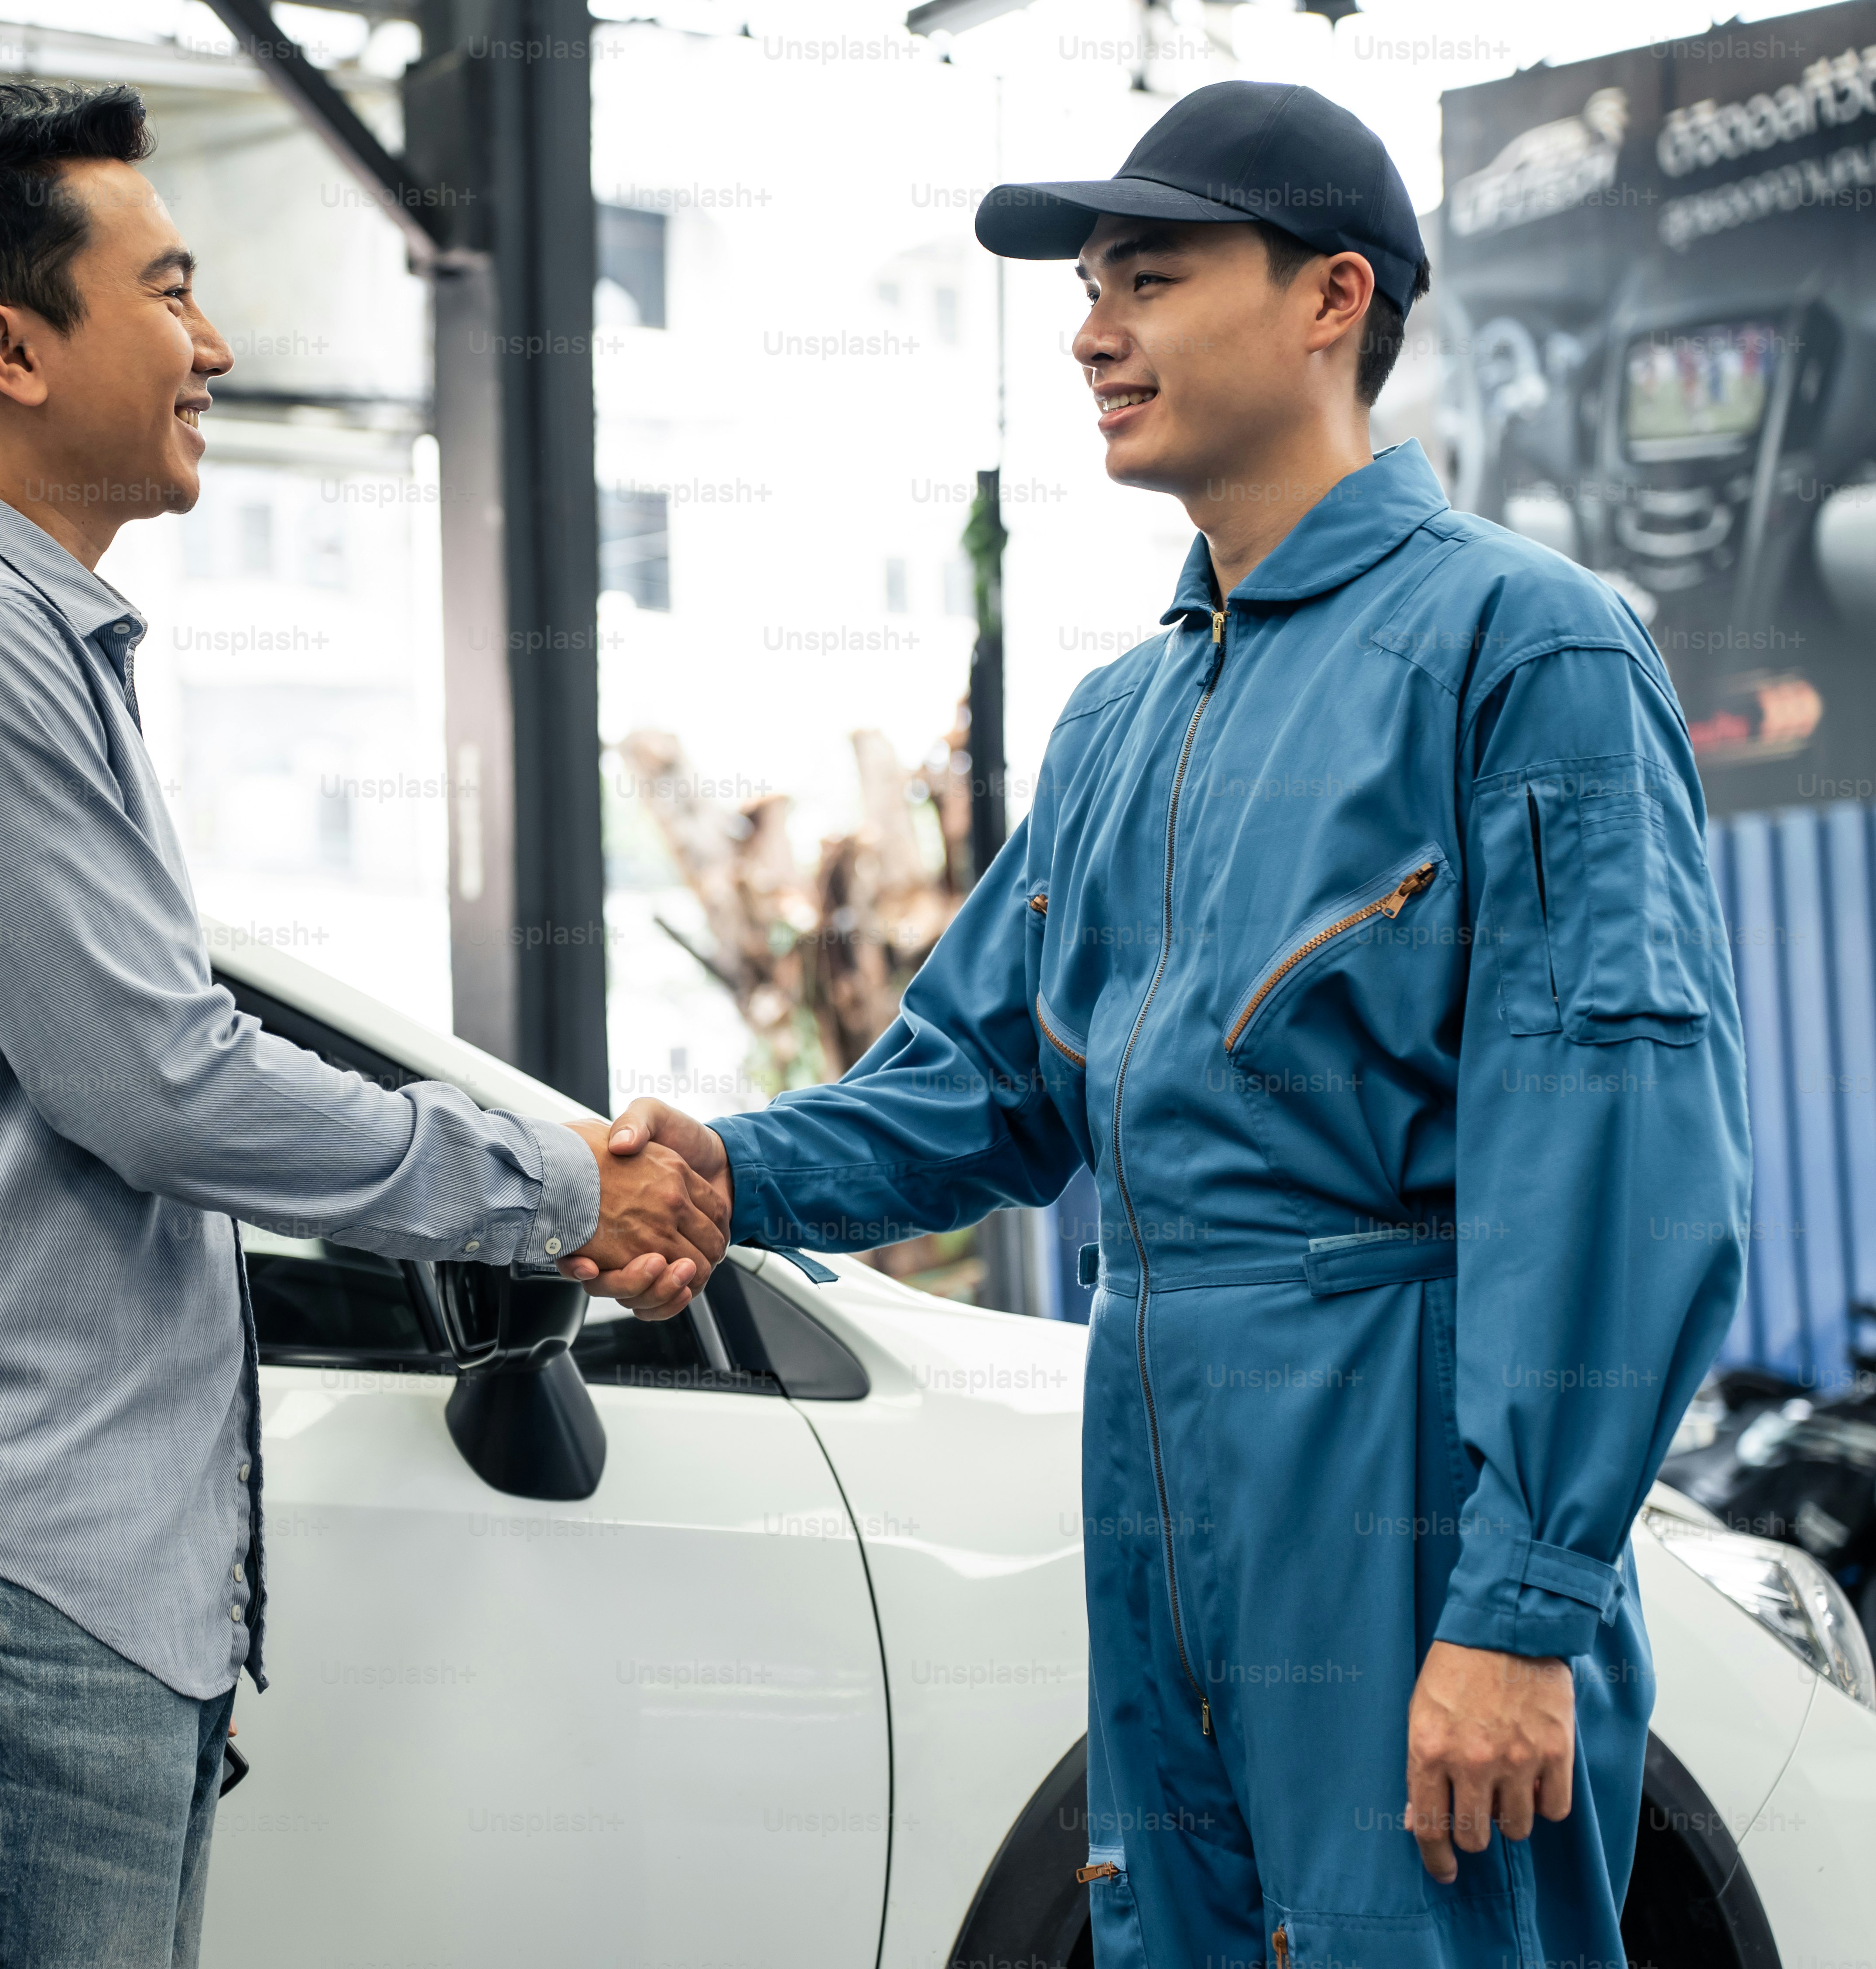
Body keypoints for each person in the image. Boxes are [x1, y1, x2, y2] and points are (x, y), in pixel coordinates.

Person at [578, 81, 1749, 1969]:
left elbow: (1610, 1144)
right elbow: (985, 1083)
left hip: (1397, 1464)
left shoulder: (1521, 650)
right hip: (1154, 1451)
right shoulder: (1127, 717)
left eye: (1149, 272)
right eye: (1086, 287)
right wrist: (729, 1167)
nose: (1090, 327)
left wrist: (1521, 1601)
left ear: (1328, 298)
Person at [0, 80, 728, 1969]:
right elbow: (166, 1084)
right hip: (12, 1571)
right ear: (11, 347)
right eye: (170, 291)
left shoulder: (11, 638)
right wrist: (555, 1182)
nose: (214, 343)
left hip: (58, 1583)